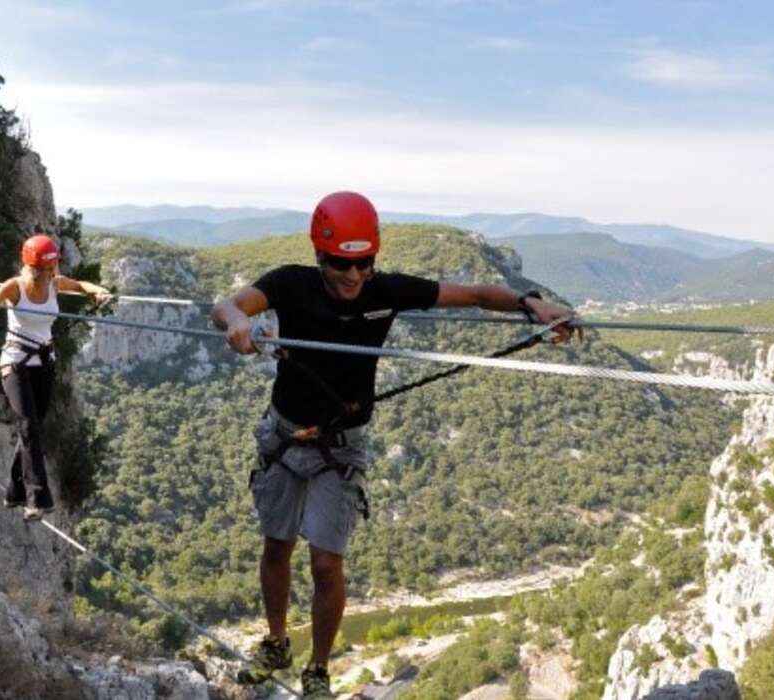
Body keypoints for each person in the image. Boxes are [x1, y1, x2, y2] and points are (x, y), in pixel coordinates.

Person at [211, 191, 574, 698]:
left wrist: (528, 303)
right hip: (283, 434)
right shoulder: (290, 284)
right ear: (320, 255)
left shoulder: (386, 291)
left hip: (339, 448)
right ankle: (275, 643)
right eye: (342, 263)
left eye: (364, 263)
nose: (354, 275)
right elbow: (228, 304)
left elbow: (471, 295)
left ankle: (317, 670)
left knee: (325, 562)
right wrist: (237, 324)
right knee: (277, 546)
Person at [0, 234, 114, 521]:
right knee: (28, 427)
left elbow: (81, 286)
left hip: (44, 364)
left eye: (53, 268)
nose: (51, 273)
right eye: (47, 269)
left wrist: (98, 291)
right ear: (33, 267)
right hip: (15, 363)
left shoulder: (55, 283)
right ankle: (37, 498)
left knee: (33, 429)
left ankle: (14, 491)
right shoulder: (14, 287)